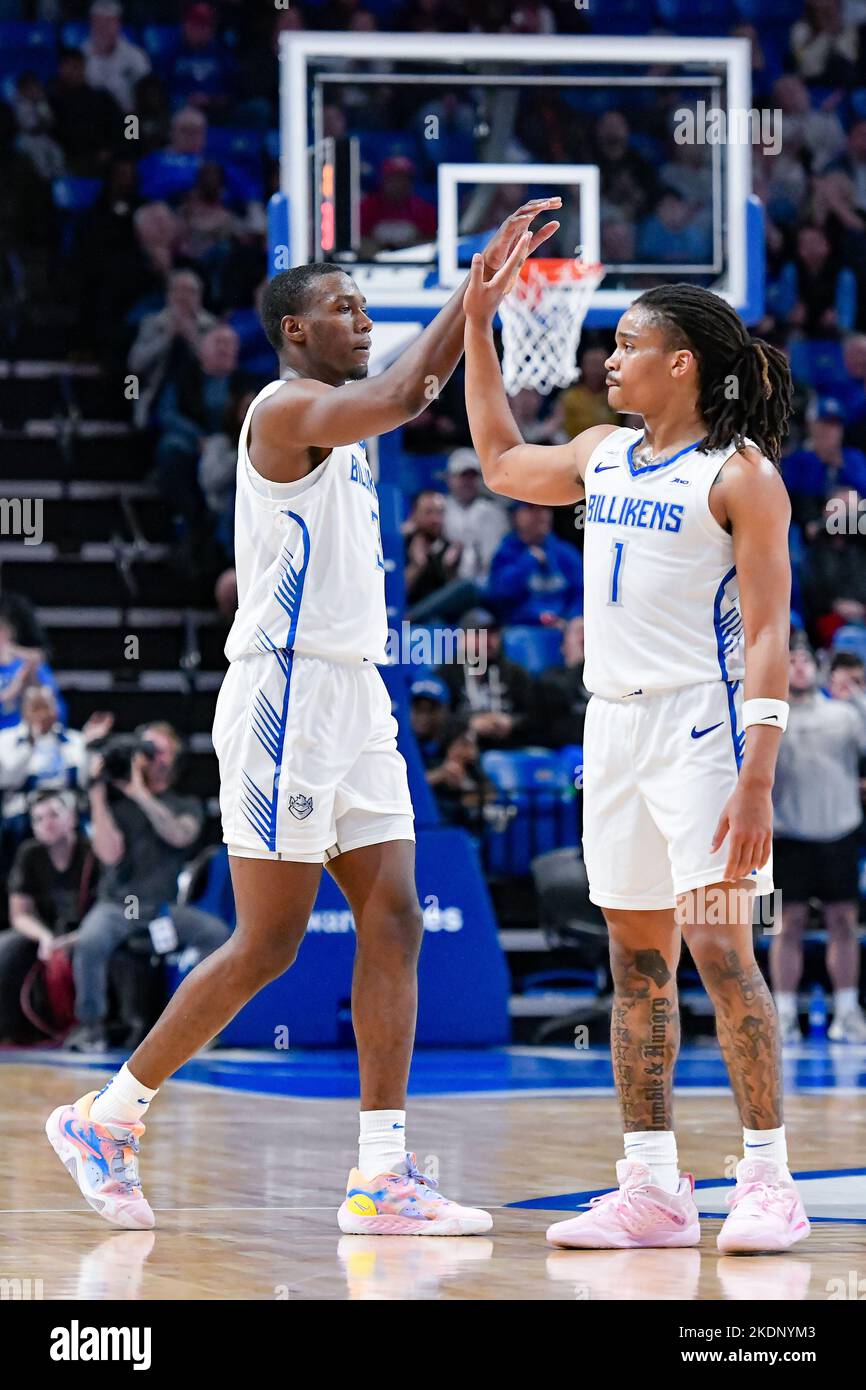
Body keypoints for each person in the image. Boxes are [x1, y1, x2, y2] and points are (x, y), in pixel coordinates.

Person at [46, 198, 561, 1235]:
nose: (361, 317)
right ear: (295, 329)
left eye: (366, 305)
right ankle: (107, 1114)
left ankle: (380, 1175)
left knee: (396, 918)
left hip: (355, 690)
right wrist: (473, 290)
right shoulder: (283, 409)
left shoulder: (343, 424)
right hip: (283, 692)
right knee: (269, 943)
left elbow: (395, 394)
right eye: (342, 306)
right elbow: (405, 392)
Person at [463, 249, 808, 1254]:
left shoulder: (741, 477)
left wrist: (756, 774)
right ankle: (652, 1185)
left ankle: (766, 1180)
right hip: (608, 726)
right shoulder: (600, 452)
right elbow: (495, 462)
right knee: (634, 962)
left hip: (703, 731)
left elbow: (771, 634)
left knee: (719, 952)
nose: (607, 361)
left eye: (627, 346)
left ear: (683, 365)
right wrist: (483, 332)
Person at [63, 721, 230, 1053]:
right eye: (143, 749)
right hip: (117, 905)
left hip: (162, 909)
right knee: (90, 941)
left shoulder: (184, 804)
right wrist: (97, 791)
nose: (148, 757)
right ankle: (91, 1028)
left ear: (173, 758)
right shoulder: (115, 804)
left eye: (157, 750)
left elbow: (180, 835)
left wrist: (140, 793)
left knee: (217, 935)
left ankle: (199, 1026)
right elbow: (109, 854)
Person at [770, 640, 866, 1043]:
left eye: (805, 660)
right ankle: (783, 1014)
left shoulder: (844, 715)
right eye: (790, 661)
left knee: (843, 921)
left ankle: (847, 1011)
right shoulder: (768, 719)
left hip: (840, 834)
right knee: (783, 925)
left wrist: (858, 696)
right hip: (786, 836)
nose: (800, 667)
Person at [0, 792, 98, 1044]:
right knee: (6, 948)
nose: (47, 822)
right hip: (45, 935)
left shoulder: (93, 853)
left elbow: (118, 910)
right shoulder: (29, 854)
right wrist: (45, 937)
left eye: (54, 814)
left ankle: (91, 1027)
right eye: (38, 818)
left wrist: (71, 940)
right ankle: (10, 1031)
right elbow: (18, 914)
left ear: (72, 817)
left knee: (92, 949)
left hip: (87, 934)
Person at [487, 502, 583, 627]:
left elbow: (581, 592)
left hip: (564, 627)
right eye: (531, 508)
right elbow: (497, 594)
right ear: (516, 515)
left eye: (545, 508)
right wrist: (527, 562)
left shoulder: (565, 552)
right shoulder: (507, 550)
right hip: (522, 628)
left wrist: (571, 619)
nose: (541, 514)